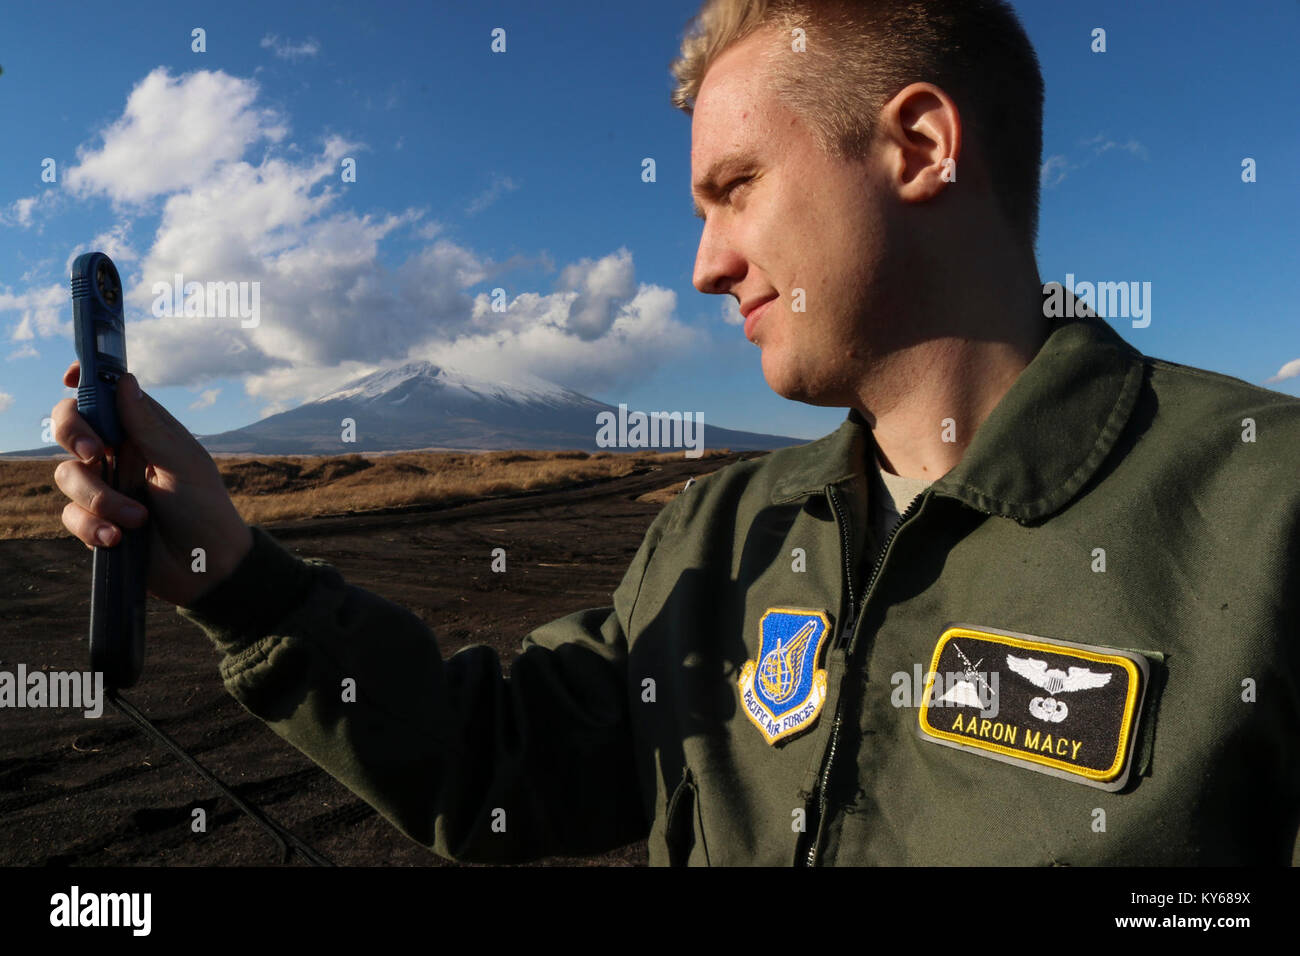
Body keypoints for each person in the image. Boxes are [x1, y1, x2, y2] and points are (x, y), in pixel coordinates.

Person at [50, 0, 1299, 865]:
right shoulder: (727, 533)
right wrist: (237, 577)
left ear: (919, 146)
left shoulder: (1264, 510)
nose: (703, 265)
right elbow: (492, 759)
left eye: (734, 187)